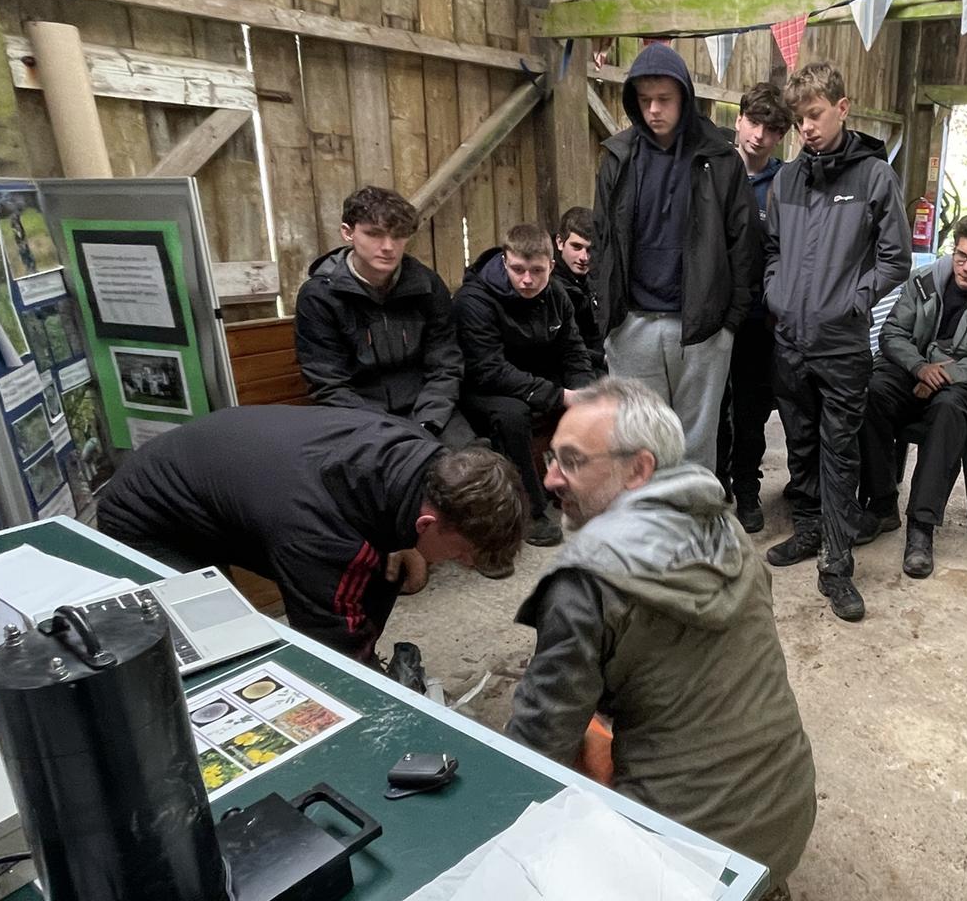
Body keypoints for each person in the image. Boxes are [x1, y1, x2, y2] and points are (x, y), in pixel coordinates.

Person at [505, 378, 816, 901]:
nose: (548, 479)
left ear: (639, 469)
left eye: (571, 462)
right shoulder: (724, 525)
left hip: (683, 852)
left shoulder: (583, 586)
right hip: (789, 807)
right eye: (551, 457)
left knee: (577, 754)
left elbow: (531, 754)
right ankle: (763, 898)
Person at [98, 405, 525, 664]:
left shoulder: (419, 455)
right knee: (215, 646)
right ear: (428, 523)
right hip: (148, 518)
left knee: (382, 575)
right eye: (463, 553)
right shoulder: (323, 536)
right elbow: (330, 650)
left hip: (213, 480)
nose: (465, 563)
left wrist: (406, 545)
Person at [762, 62, 910, 622]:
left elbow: (897, 258)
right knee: (798, 443)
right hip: (790, 340)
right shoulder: (787, 180)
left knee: (838, 451)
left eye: (816, 115)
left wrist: (856, 299)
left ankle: (837, 565)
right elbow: (773, 249)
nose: (807, 129)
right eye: (800, 120)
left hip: (842, 344)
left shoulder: (874, 177)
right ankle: (806, 531)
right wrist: (777, 294)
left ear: (843, 109)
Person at [592, 44, 758, 469]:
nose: (653, 110)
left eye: (664, 99)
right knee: (638, 445)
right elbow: (603, 240)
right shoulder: (618, 157)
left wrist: (730, 322)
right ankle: (647, 530)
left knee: (695, 445)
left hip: (701, 328)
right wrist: (608, 316)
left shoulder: (721, 159)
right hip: (632, 325)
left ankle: (690, 529)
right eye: (644, 100)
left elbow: (744, 245)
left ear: (684, 96)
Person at [859, 213, 967, 579]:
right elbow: (893, 334)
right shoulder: (925, 279)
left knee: (949, 412)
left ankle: (921, 526)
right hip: (910, 370)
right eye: (961, 255)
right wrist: (920, 367)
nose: (966, 267)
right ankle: (881, 503)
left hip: (958, 383)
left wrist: (944, 373)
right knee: (870, 395)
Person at [454, 223, 599, 547]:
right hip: (486, 387)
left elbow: (573, 350)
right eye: (518, 269)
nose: (527, 280)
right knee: (512, 414)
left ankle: (578, 489)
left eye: (536, 270)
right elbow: (488, 369)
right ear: (505, 261)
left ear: (550, 264)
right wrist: (560, 395)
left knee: (600, 392)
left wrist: (584, 391)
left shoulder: (556, 293)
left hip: (537, 378)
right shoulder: (474, 300)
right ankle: (529, 509)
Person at [295, 186, 462, 436]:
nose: (388, 246)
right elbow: (329, 385)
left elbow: (445, 364)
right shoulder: (319, 296)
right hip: (359, 418)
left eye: (398, 235)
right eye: (374, 234)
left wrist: (429, 420)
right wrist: (389, 429)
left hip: (428, 410)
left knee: (473, 465)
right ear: (347, 233)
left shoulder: (427, 285)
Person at [716, 82, 793, 533]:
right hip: (713, 317)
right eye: (754, 122)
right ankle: (714, 485)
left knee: (750, 412)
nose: (759, 135)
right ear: (739, 118)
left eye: (772, 128)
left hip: (761, 320)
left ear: (781, 135)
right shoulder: (712, 171)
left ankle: (746, 486)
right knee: (709, 408)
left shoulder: (784, 183)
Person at [552, 206, 606, 374]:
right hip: (568, 366)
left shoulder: (601, 274)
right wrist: (602, 359)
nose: (584, 257)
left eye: (590, 250)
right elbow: (560, 344)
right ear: (560, 243)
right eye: (576, 247)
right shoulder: (547, 282)